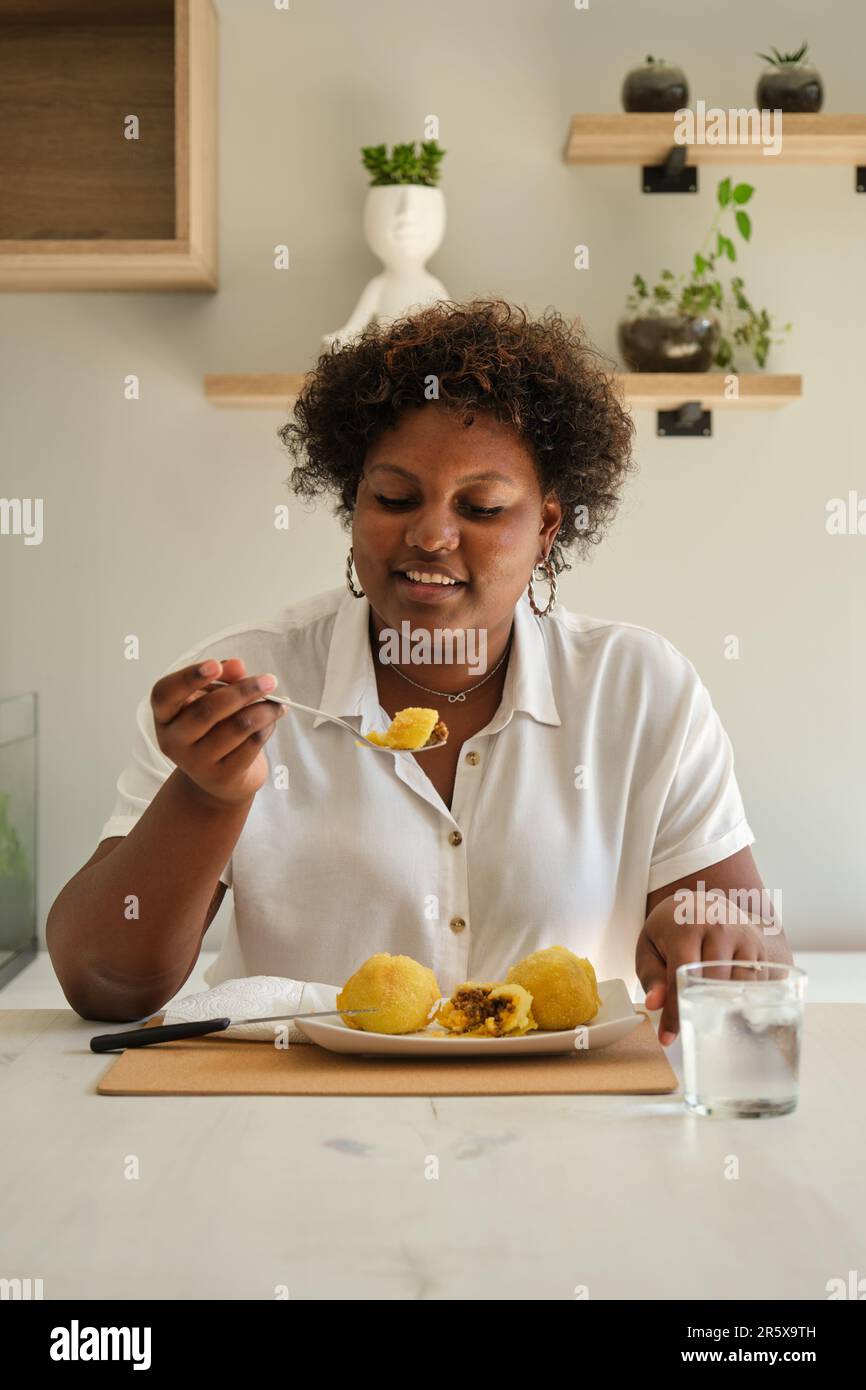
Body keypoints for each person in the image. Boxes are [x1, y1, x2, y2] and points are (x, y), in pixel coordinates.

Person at [46, 299, 793, 1037]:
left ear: (547, 528)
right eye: (395, 497)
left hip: (565, 1126)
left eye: (482, 507)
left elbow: (754, 959)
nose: (431, 535)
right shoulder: (242, 687)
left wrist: (711, 926)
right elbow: (102, 985)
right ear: (353, 504)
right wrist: (205, 797)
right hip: (282, 1119)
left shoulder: (640, 689)